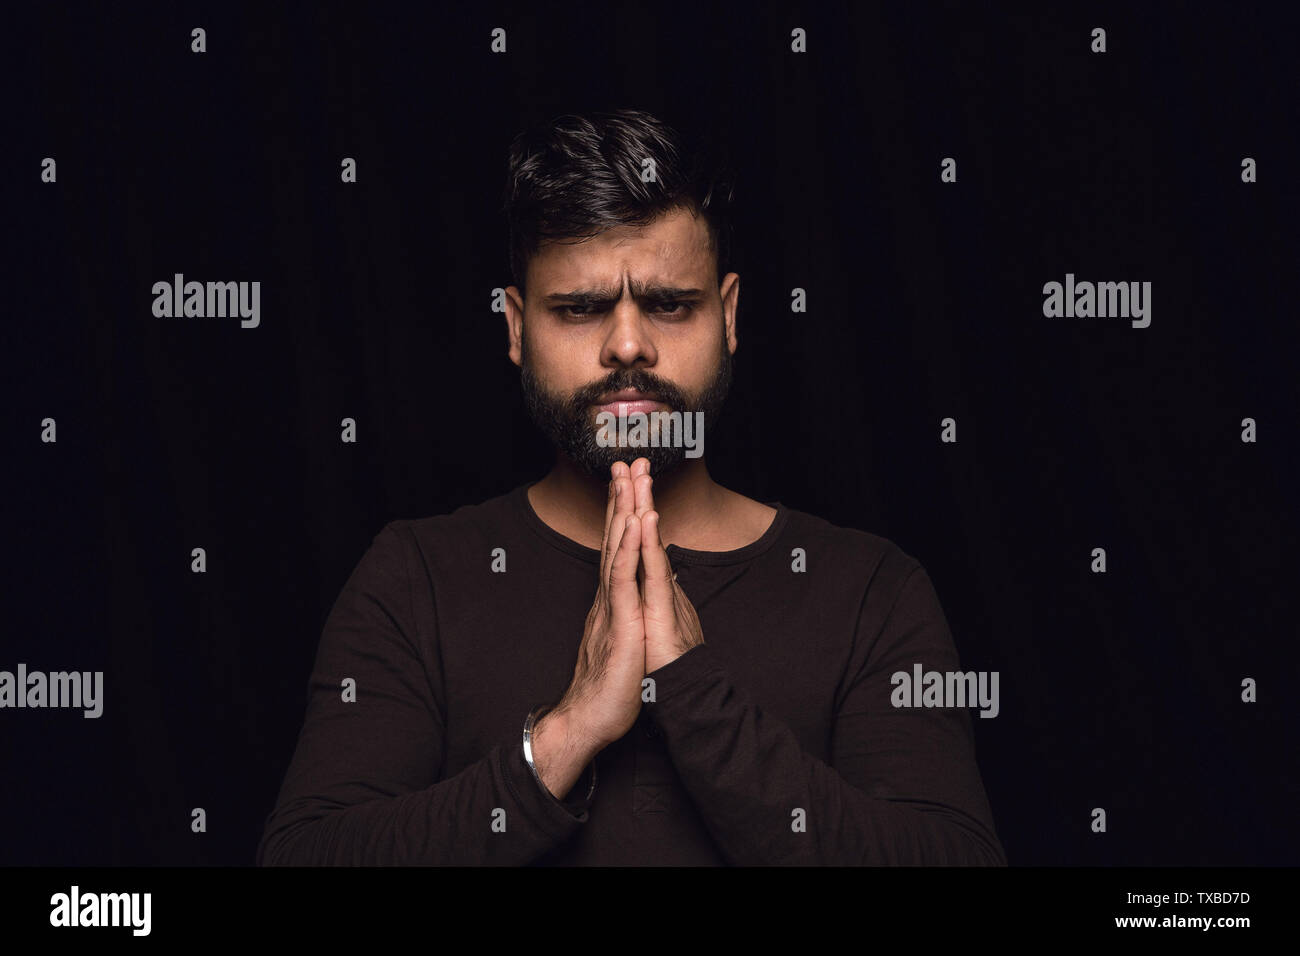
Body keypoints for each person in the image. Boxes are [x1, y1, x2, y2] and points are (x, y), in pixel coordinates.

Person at [256, 108, 1006, 865]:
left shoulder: (872, 591)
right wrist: (567, 734)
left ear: (730, 315)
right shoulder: (413, 577)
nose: (626, 345)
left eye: (669, 303)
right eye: (580, 309)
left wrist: (692, 691)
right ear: (516, 328)